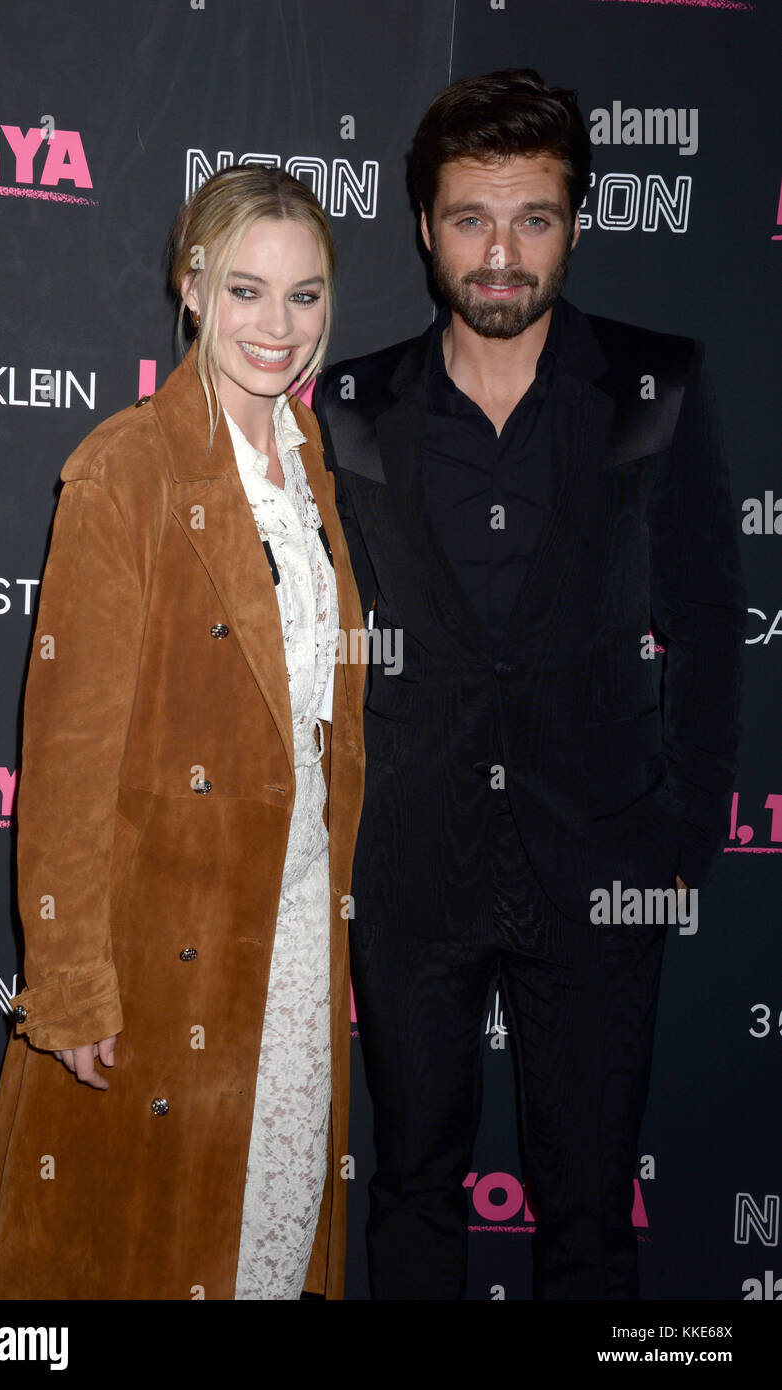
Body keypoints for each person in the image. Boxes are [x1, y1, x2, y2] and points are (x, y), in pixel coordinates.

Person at [314, 69, 746, 1300]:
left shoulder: (656, 387)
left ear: (575, 222)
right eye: (469, 219)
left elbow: (710, 621)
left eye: (533, 218)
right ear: (423, 227)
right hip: (410, 861)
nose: (500, 253)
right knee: (409, 1191)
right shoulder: (347, 407)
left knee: (591, 1217)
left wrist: (685, 835)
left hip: (605, 861)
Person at [0, 166, 366, 1301]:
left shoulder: (315, 470)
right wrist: (74, 980)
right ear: (191, 291)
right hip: (161, 948)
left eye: (303, 295)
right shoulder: (123, 471)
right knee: (145, 1254)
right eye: (245, 290)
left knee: (268, 1247)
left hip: (289, 942)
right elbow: (67, 758)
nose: (276, 328)